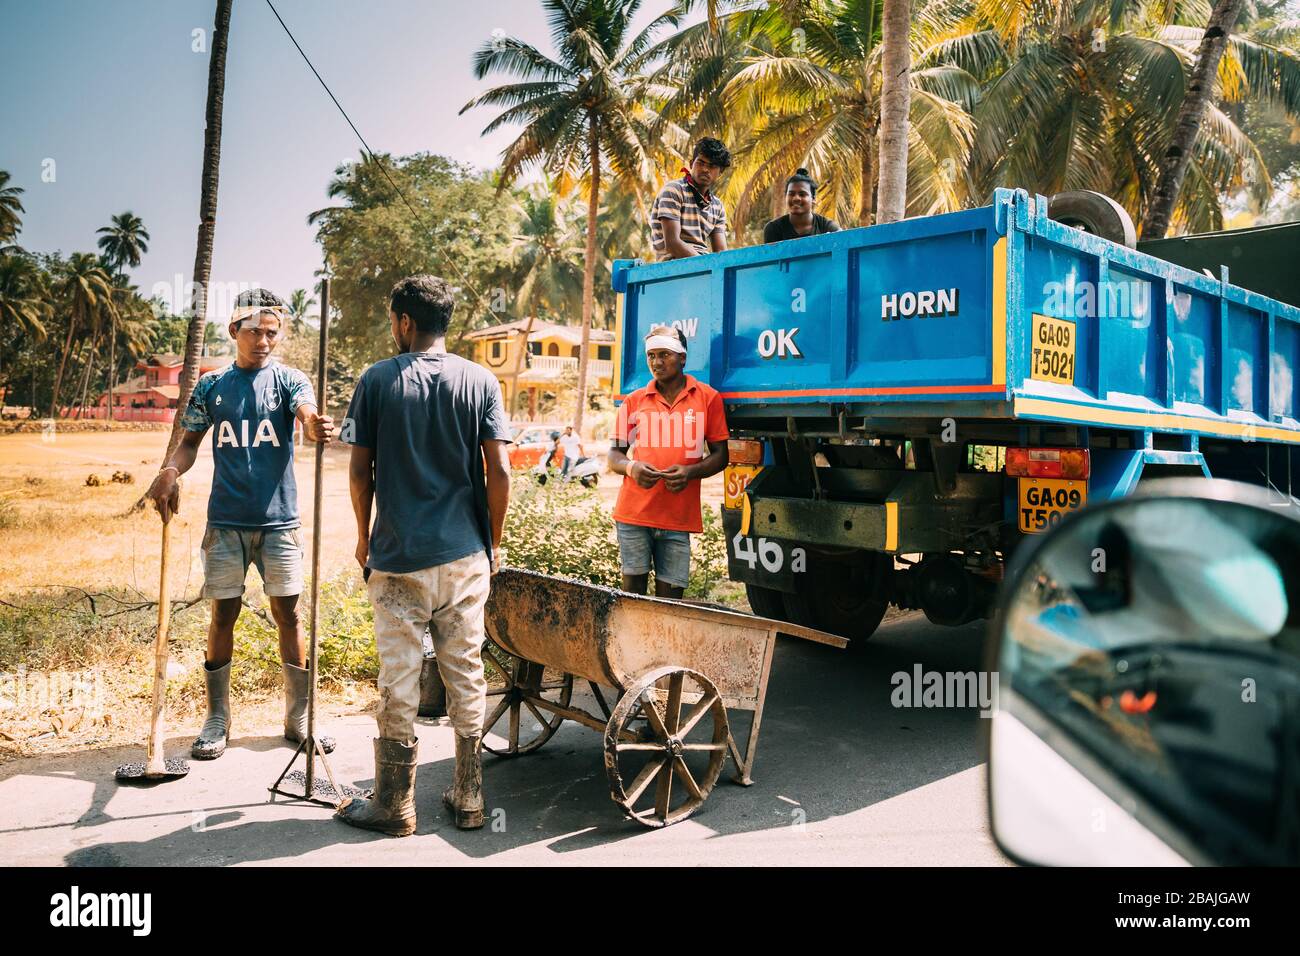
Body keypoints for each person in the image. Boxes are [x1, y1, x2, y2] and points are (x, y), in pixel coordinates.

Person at [336, 275, 512, 836]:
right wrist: (494, 542)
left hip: (399, 557)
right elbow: (500, 471)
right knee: (466, 669)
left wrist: (364, 537)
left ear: (405, 322)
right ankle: (470, 798)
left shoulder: (377, 381)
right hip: (465, 555)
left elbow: (359, 472)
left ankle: (395, 804)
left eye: (394, 320)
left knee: (400, 674)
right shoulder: (481, 380)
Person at [145, 289, 336, 760]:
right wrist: (171, 470)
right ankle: (217, 718)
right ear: (234, 332)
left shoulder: (290, 380)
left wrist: (312, 426)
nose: (265, 341)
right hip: (226, 522)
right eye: (255, 332)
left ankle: (298, 716)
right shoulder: (212, 386)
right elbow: (190, 442)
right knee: (222, 615)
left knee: (288, 615)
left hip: (280, 523)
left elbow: (306, 412)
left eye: (272, 333)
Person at [608, 325, 729, 597]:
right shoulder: (634, 401)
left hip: (678, 518)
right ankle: (633, 642)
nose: (656, 362)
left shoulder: (708, 399)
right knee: (633, 594)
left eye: (664, 354)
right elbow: (614, 455)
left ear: (682, 358)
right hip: (634, 515)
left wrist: (690, 472)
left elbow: (722, 456)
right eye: (651, 356)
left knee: (671, 600)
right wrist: (632, 468)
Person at [650, 138, 731, 261]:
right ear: (691, 163)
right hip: (673, 267)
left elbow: (721, 253)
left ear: (720, 172)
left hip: (704, 268)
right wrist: (706, 266)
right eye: (701, 163)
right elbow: (672, 244)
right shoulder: (674, 190)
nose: (705, 169)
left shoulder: (717, 206)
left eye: (712, 166)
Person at [763, 168, 841, 243]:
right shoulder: (773, 229)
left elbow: (843, 243)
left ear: (813, 199)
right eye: (791, 194)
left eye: (802, 194)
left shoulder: (827, 227)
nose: (796, 198)